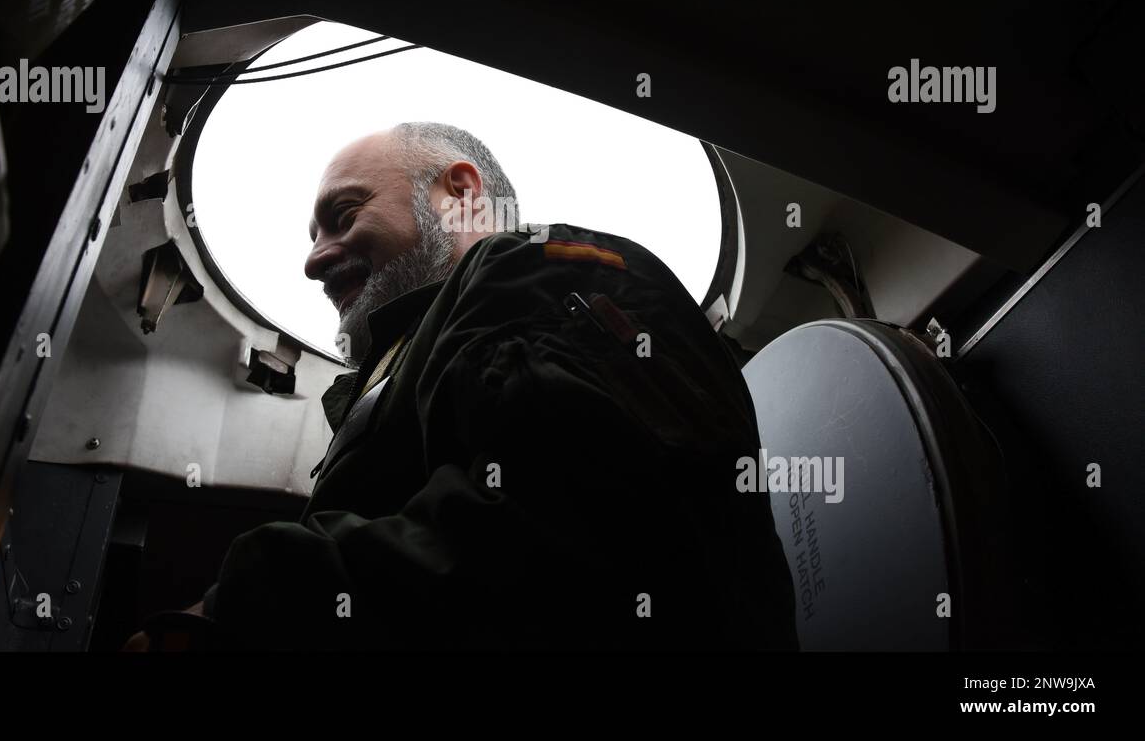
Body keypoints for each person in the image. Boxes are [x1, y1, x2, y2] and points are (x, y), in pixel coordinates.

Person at [125, 121, 797, 651]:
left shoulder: (541, 270)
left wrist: (234, 608)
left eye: (346, 213)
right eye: (314, 233)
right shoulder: (393, 376)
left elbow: (551, 544)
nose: (313, 258)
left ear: (462, 191)